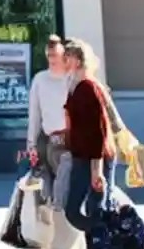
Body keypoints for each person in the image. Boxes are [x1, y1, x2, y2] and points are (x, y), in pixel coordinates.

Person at [61, 38, 115, 237]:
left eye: (66, 57)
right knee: (76, 211)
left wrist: (96, 169)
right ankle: (105, 235)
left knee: (93, 210)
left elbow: (97, 131)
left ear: (76, 59)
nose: (63, 61)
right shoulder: (75, 86)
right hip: (81, 156)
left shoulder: (88, 88)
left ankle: (112, 236)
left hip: (94, 158)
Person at [26, 36, 70, 198]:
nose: (52, 59)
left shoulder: (71, 79)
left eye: (55, 55)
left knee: (65, 185)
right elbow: (35, 114)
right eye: (49, 55)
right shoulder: (40, 79)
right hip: (48, 138)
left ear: (64, 56)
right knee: (47, 186)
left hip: (69, 140)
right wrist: (31, 143)